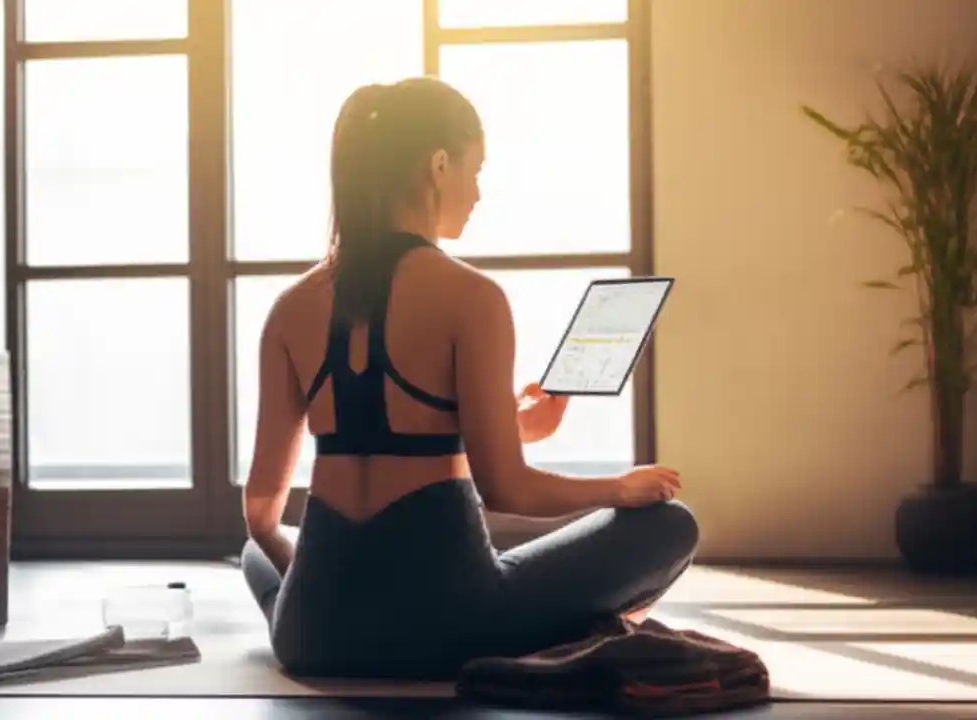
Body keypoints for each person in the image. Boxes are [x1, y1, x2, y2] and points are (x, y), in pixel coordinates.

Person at [239, 77, 697, 680]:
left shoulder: (290, 308)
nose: (478, 191)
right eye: (475, 169)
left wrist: (518, 423)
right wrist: (617, 488)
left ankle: (311, 599)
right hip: (452, 628)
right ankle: (565, 628)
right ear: (437, 164)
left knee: (256, 556)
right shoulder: (471, 297)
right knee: (671, 525)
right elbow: (507, 489)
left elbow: (260, 515)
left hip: (314, 635)